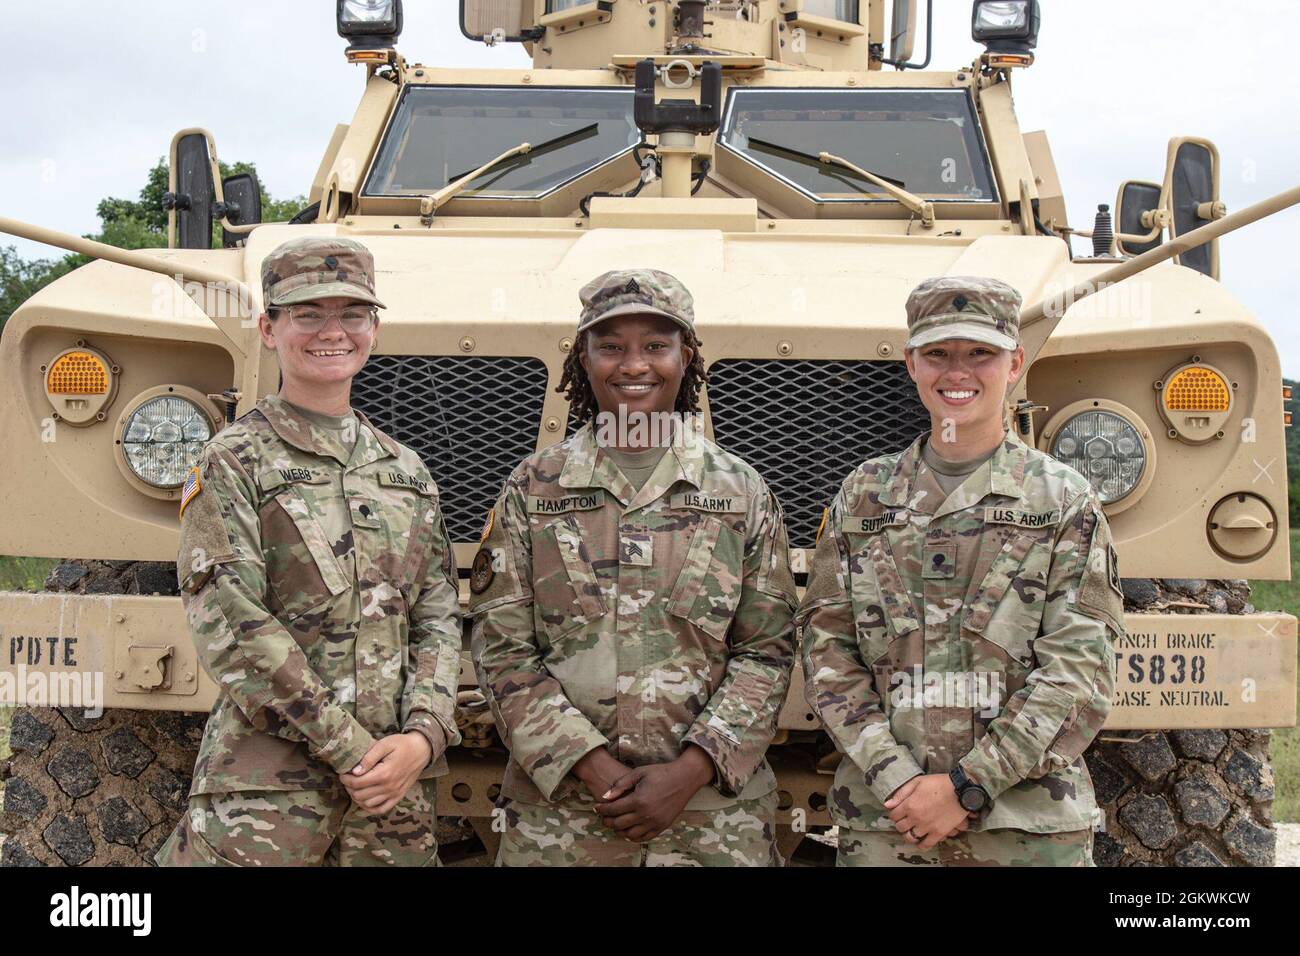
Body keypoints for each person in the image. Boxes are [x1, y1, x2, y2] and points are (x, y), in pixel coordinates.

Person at [469, 268, 797, 866]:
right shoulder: (534, 488)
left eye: (655, 345)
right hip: (562, 820)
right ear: (584, 359)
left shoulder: (740, 491)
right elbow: (501, 649)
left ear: (686, 356)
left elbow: (767, 651)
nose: (633, 365)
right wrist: (592, 768)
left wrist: (692, 770)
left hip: (714, 819)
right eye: (611, 346)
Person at [155, 237, 462, 866]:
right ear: (269, 329)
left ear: (373, 327)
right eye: (307, 314)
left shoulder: (405, 472)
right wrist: (352, 748)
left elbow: (437, 614)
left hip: (391, 801)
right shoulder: (234, 461)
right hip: (266, 795)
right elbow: (233, 626)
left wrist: (423, 738)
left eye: (352, 313)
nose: (333, 332)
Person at [798, 276, 1123, 867]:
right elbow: (828, 656)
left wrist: (968, 787)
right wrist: (896, 778)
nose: (958, 372)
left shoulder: (1062, 501)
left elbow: (1079, 669)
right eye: (938, 354)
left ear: (1016, 362)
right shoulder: (864, 497)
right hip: (886, 825)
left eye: (980, 353)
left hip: (1027, 829)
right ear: (911, 364)